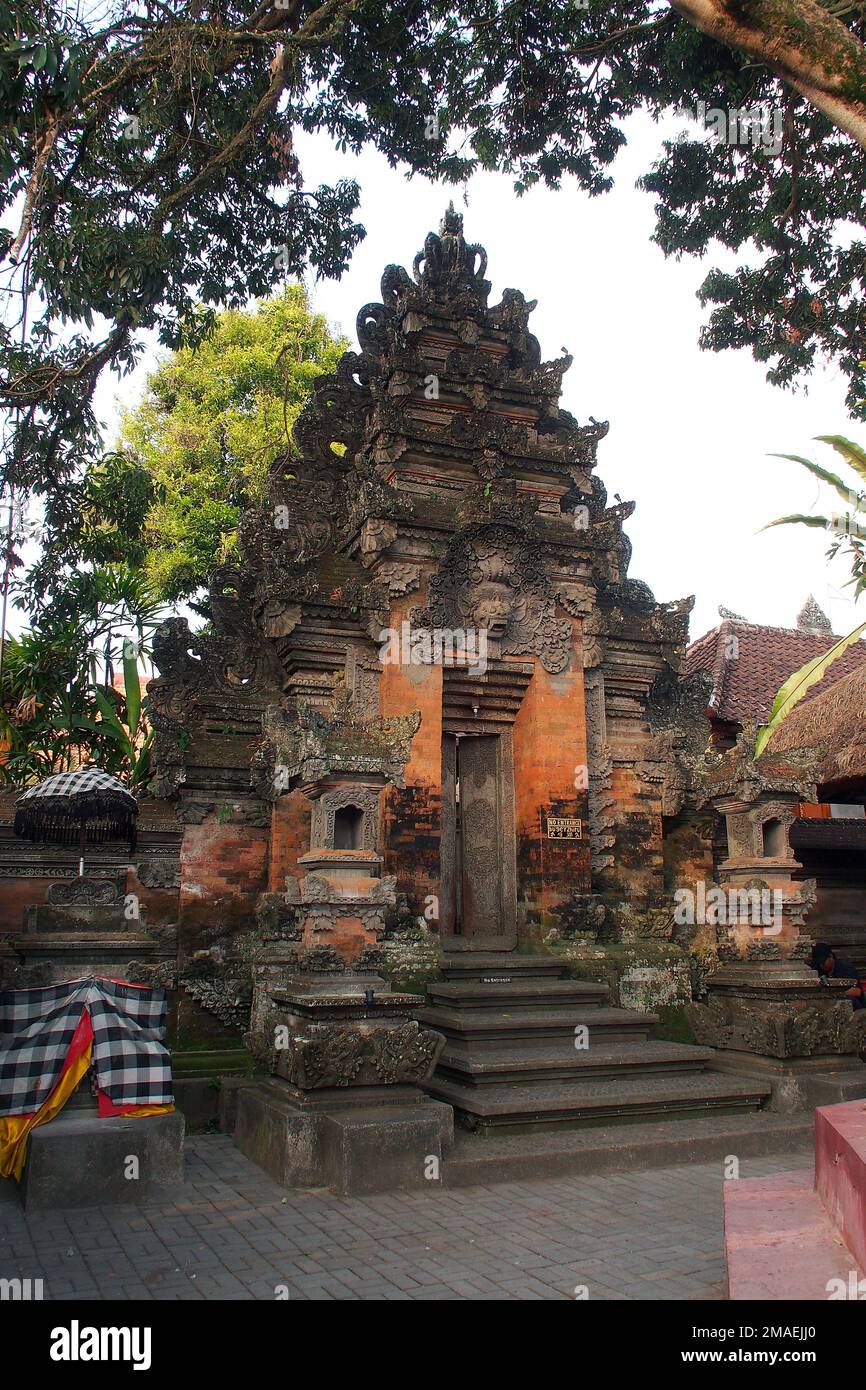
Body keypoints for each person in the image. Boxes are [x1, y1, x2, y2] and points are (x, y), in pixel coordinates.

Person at [809, 942, 866, 1010]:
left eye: (823, 962)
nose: (821, 966)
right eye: (819, 963)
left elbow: (857, 992)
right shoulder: (818, 969)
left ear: (831, 956)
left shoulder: (845, 967)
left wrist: (834, 991)